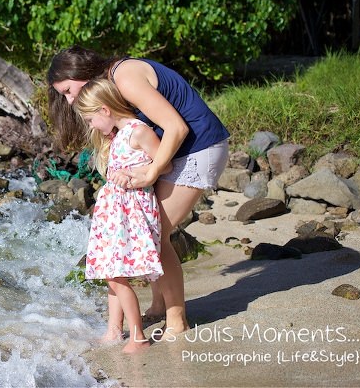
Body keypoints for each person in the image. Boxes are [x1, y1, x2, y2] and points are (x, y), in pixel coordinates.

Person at [47, 46, 229, 339]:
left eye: (68, 90)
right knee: (152, 233)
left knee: (155, 233)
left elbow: (176, 127)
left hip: (198, 148)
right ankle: (159, 305)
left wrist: (151, 172)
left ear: (80, 73)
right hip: (178, 153)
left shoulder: (125, 76)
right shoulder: (112, 85)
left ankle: (177, 320)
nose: (68, 101)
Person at [75, 78, 165, 353]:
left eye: (90, 120)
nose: (91, 126)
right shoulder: (117, 135)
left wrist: (134, 175)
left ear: (104, 109)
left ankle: (138, 336)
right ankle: (114, 330)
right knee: (109, 273)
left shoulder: (139, 131)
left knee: (116, 274)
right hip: (114, 212)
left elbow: (164, 163)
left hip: (130, 211)